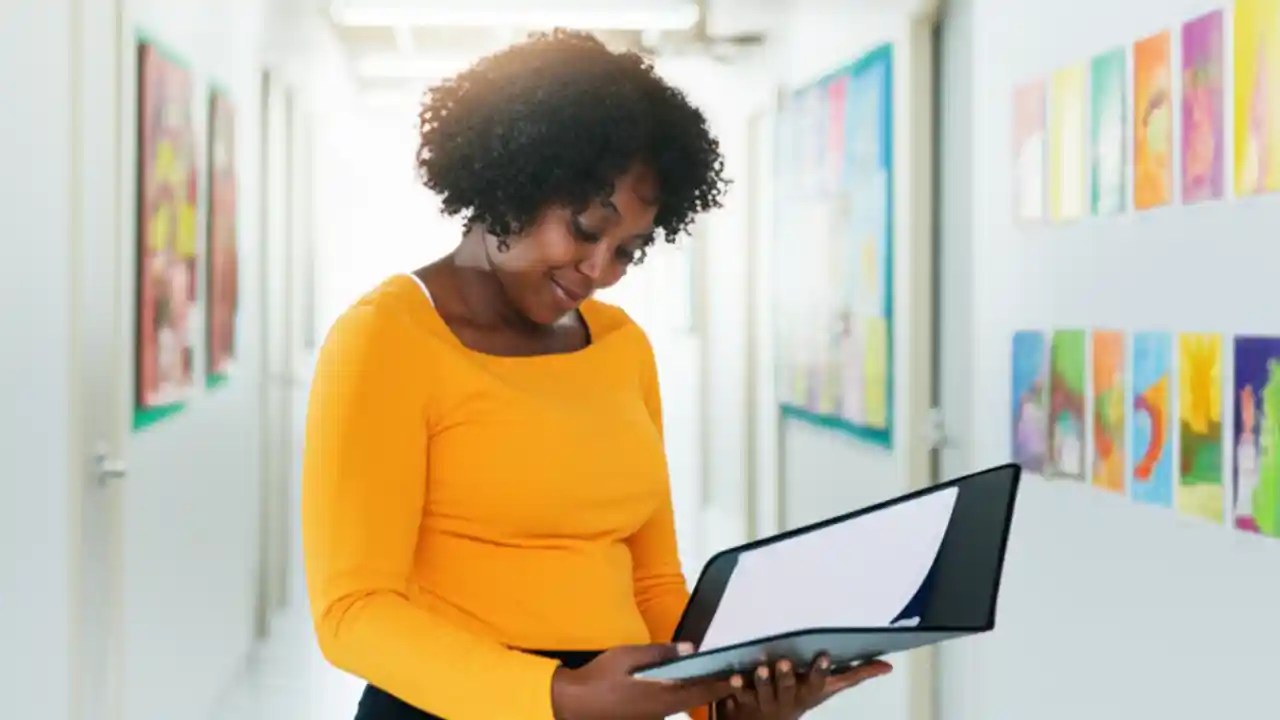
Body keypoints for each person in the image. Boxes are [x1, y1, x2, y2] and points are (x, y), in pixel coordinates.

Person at [301, 29, 892, 720]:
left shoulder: (620, 346)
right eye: (585, 229)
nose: (599, 269)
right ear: (510, 184)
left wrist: (726, 703)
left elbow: (653, 583)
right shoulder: (387, 337)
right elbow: (354, 613)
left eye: (627, 251)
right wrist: (563, 696)